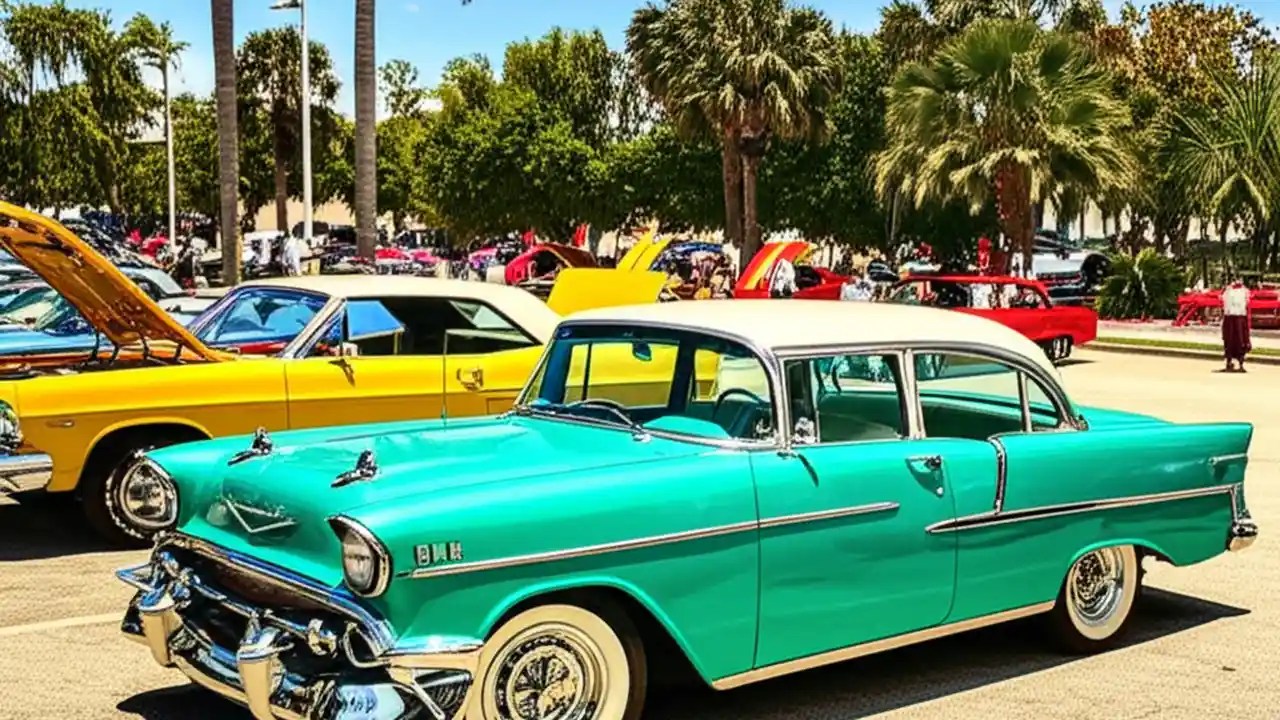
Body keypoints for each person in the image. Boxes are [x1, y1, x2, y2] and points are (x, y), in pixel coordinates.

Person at [1222, 278, 1251, 372]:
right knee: (1230, 340)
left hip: (1239, 317)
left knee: (1240, 340)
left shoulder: (1244, 291)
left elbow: (1247, 303)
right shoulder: (1228, 290)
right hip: (1232, 318)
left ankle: (1240, 363)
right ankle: (1229, 362)